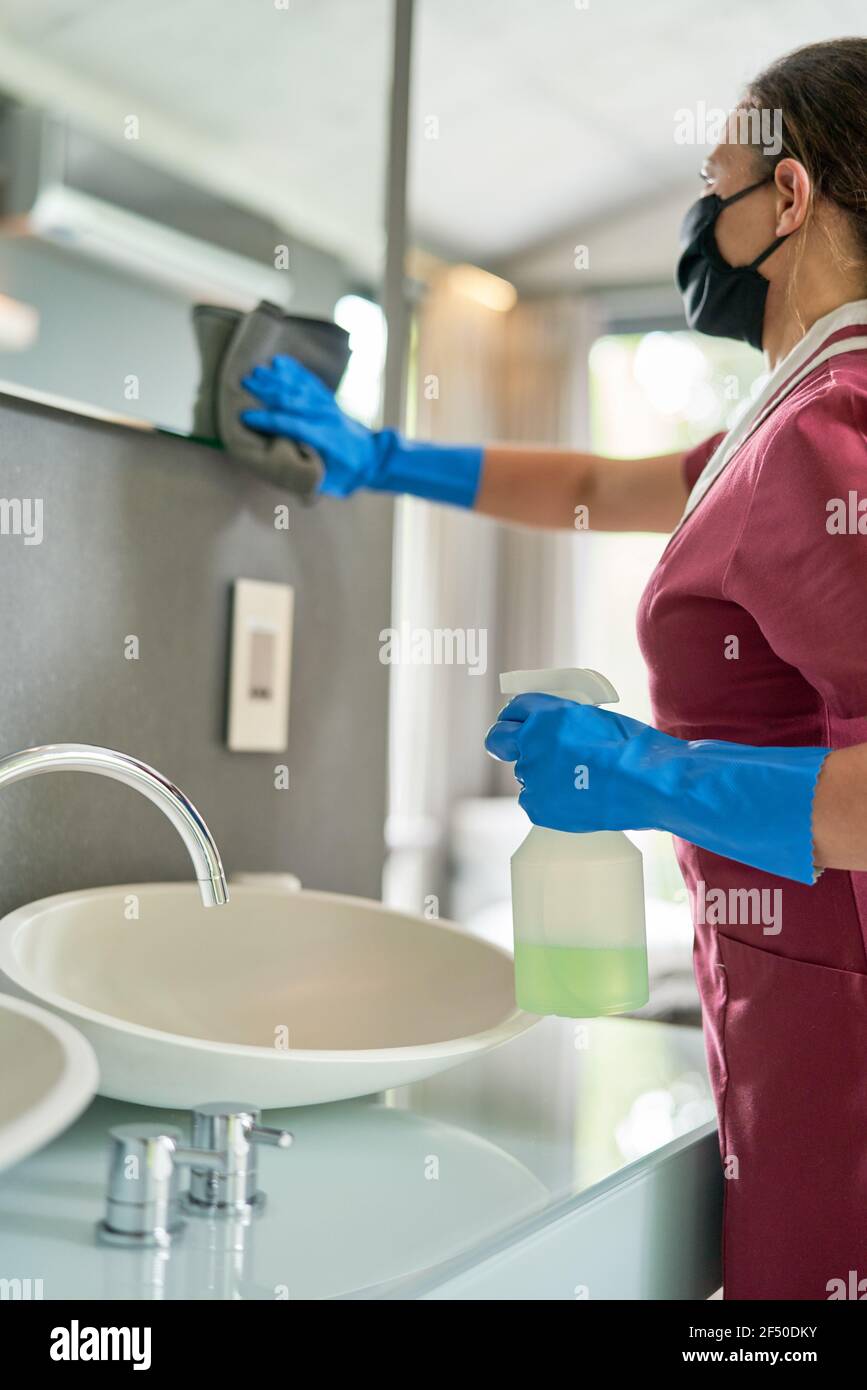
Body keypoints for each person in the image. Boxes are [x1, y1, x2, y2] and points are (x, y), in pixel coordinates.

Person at [241, 39, 867, 1300]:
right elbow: (594, 486)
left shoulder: (827, 429)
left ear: (788, 198)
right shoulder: (788, 417)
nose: (706, 217)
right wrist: (382, 458)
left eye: (719, 183)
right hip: (794, 1001)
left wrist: (658, 772)